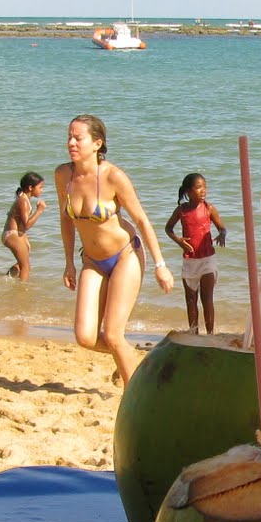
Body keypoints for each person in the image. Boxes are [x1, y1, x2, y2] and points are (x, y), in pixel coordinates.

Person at [55, 114, 174, 383]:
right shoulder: (63, 175)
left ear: (97, 143)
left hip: (125, 256)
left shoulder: (113, 176)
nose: (71, 143)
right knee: (85, 337)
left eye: (78, 138)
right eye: (69, 137)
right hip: (92, 261)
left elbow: (141, 219)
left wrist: (161, 265)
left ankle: (131, 394)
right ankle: (130, 356)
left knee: (112, 333)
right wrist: (68, 262)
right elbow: (65, 220)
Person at [164, 172, 228, 333]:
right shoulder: (181, 210)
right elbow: (168, 228)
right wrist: (179, 241)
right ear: (188, 191)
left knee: (207, 298)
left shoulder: (209, 208)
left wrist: (222, 234)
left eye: (205, 187)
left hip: (208, 259)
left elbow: (222, 227)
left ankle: (210, 334)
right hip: (190, 260)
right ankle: (194, 333)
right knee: (191, 299)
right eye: (199, 187)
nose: (203, 190)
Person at [2, 171, 47, 280]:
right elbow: (26, 224)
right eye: (40, 187)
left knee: (22, 264)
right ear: (31, 187)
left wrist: (24, 237)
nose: (42, 190)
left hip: (15, 234)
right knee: (25, 267)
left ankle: (5, 279)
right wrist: (39, 211)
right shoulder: (23, 201)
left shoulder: (23, 199)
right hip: (12, 234)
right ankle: (23, 289)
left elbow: (21, 224)